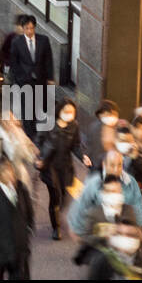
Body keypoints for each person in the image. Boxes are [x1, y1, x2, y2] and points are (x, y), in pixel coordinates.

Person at [0, 156, 34, 279]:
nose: (9, 174)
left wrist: (26, 233)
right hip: (0, 253)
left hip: (20, 251)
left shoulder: (21, 189)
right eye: (4, 171)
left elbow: (29, 214)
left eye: (10, 170)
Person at [37, 100, 81, 240]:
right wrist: (39, 158)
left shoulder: (74, 126)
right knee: (55, 196)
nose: (69, 115)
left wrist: (83, 156)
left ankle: (57, 214)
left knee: (64, 196)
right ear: (59, 111)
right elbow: (38, 141)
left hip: (65, 166)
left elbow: (76, 145)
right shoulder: (47, 123)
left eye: (71, 112)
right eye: (66, 111)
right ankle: (56, 228)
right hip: (50, 166)